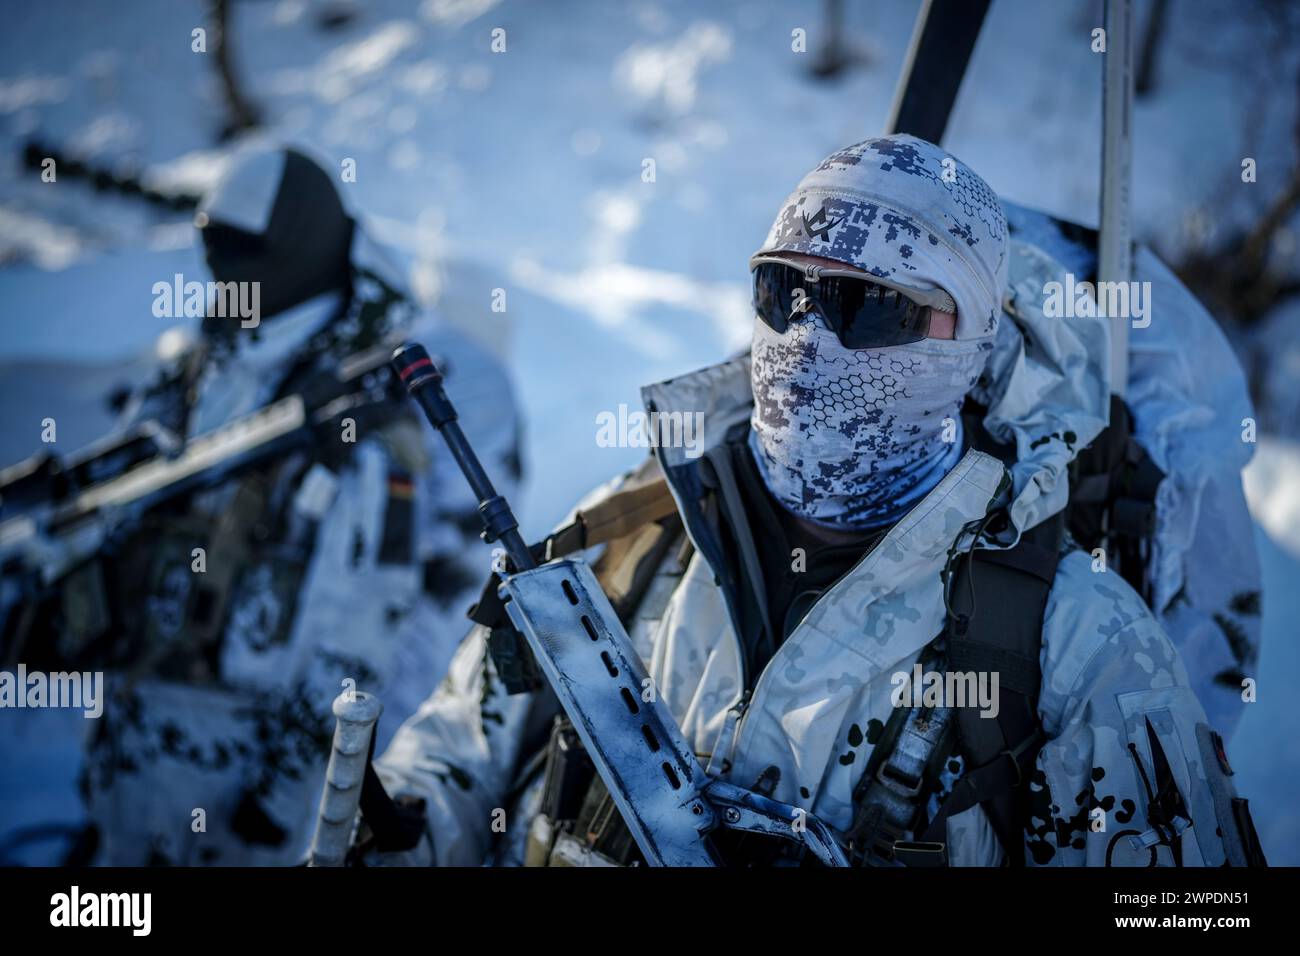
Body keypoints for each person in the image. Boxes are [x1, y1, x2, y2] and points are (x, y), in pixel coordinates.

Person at [371, 134, 1265, 867]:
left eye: (866, 305)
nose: (805, 338)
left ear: (971, 345)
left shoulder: (1080, 650)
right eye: (782, 291)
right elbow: (457, 756)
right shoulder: (639, 530)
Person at [51, 145, 522, 865]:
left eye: (248, 249)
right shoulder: (207, 364)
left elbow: (410, 615)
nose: (228, 272)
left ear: (298, 245)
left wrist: (309, 790)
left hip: (266, 787)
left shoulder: (394, 396)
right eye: (218, 248)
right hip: (138, 756)